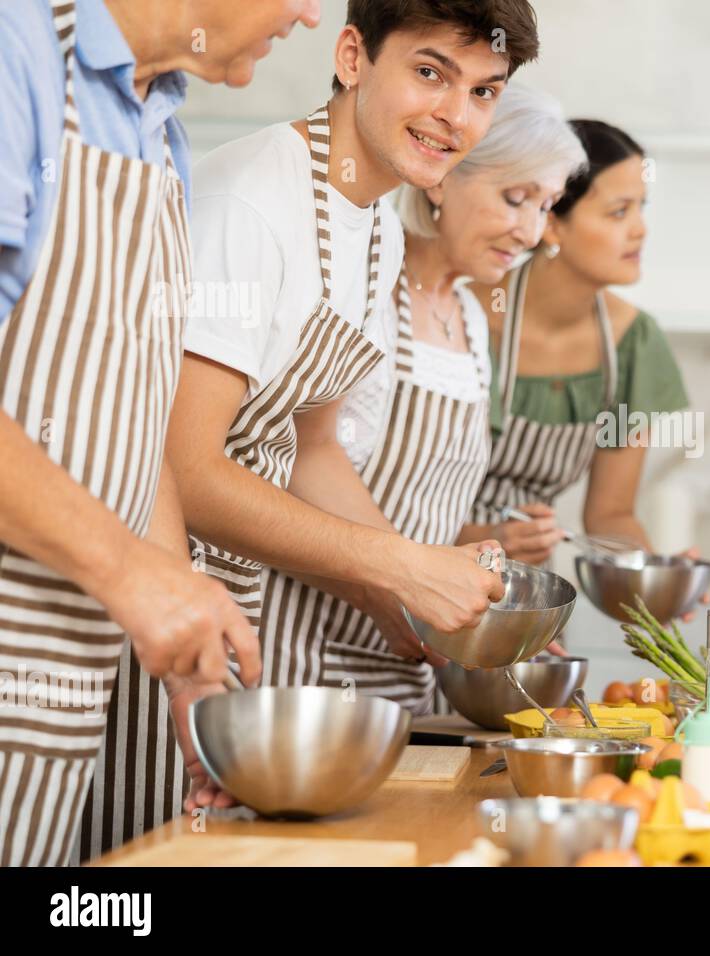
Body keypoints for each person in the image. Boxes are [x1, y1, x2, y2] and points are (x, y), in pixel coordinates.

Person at [84, 0, 539, 860]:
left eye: (484, 90)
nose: (455, 115)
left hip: (229, 610)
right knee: (131, 864)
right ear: (353, 55)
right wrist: (403, 563)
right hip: (147, 598)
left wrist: (409, 599)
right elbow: (186, 465)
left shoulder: (369, 217)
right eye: (431, 72)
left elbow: (313, 446)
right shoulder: (255, 201)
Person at [0, 0, 321, 866]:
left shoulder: (159, 128)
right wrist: (128, 574)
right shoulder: (15, 51)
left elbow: (131, 420)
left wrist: (189, 662)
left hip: (59, 672)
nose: (310, 14)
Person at [259, 83, 584, 714]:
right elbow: (294, 462)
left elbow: (417, 516)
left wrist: (483, 562)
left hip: (411, 673)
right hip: (307, 657)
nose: (531, 231)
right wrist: (406, 592)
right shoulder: (369, 288)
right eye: (514, 198)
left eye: (545, 207)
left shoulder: (468, 314)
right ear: (441, 178)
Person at [459, 120, 692, 568]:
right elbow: (395, 502)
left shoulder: (634, 343)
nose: (641, 229)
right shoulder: (464, 316)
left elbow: (610, 515)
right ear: (551, 223)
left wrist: (656, 578)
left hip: (526, 594)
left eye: (642, 208)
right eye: (619, 211)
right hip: (423, 570)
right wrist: (489, 538)